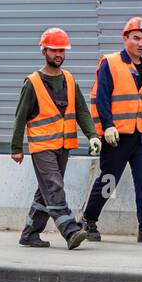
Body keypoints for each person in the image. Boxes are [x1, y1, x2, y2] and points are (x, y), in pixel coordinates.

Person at [81, 17, 142, 243]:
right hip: (117, 137)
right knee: (108, 181)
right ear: (125, 38)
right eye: (136, 38)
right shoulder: (110, 63)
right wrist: (108, 125)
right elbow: (101, 98)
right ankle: (88, 220)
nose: (141, 44)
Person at [11, 28, 100, 250]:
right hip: (42, 146)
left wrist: (92, 135)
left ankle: (30, 233)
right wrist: (16, 147)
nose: (58, 54)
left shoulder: (69, 79)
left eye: (62, 50)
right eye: (54, 50)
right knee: (54, 186)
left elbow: (82, 111)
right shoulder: (32, 82)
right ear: (44, 51)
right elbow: (20, 116)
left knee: (45, 191)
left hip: (64, 145)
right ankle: (70, 230)